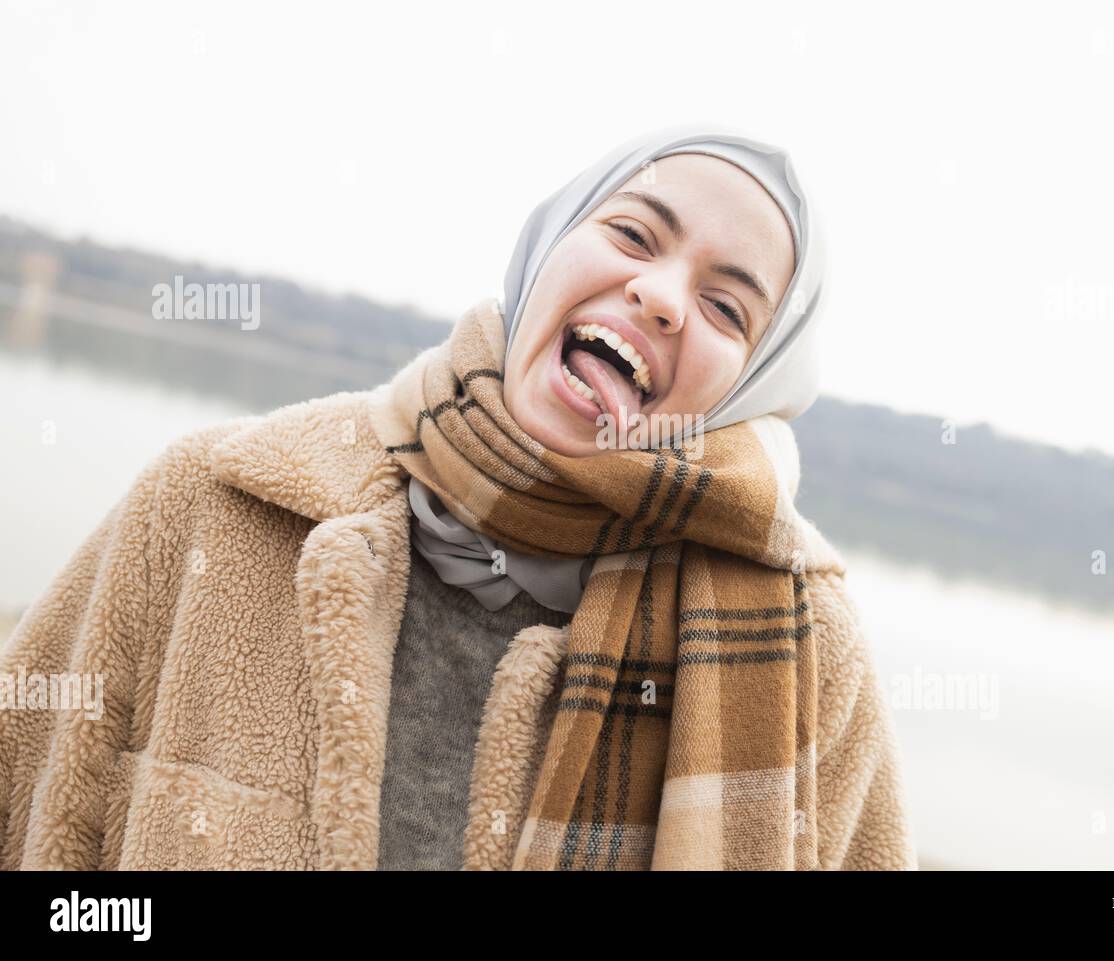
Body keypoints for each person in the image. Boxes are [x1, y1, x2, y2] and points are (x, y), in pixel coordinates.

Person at [0, 123, 917, 871]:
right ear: (545, 249)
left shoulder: (808, 653)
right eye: (635, 234)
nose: (662, 293)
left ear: (749, 389)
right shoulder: (214, 498)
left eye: (727, 309)